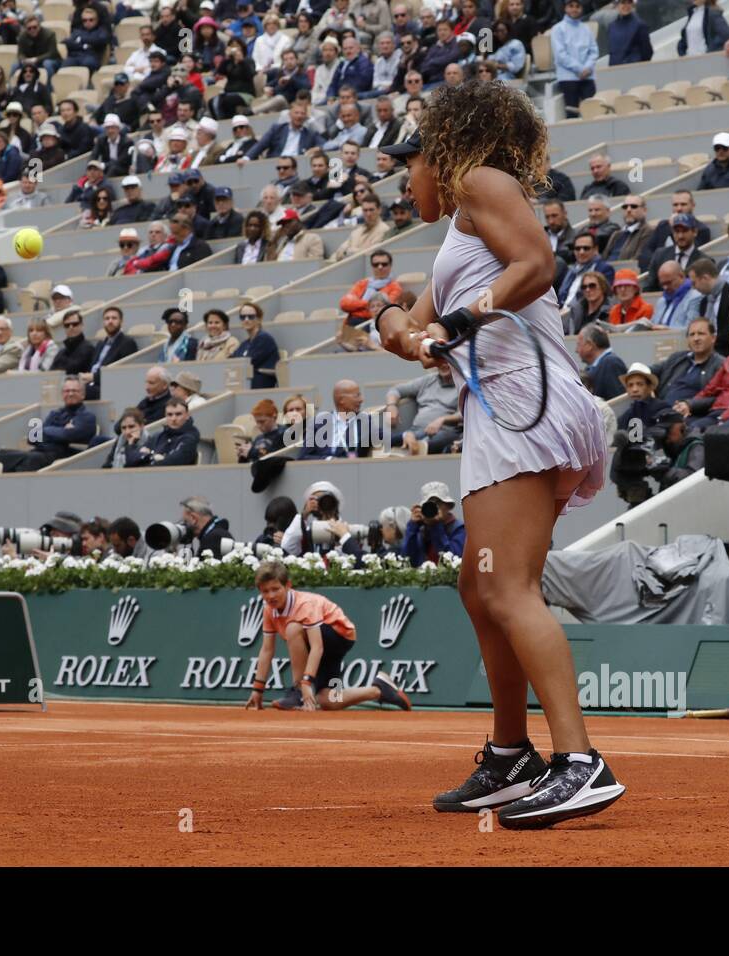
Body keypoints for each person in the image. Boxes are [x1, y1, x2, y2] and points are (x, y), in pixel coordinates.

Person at [374, 85, 625, 827]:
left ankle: (580, 761)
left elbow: (538, 264)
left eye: (408, 161)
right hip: (503, 408)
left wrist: (446, 325)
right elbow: (404, 331)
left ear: (444, 152)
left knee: (507, 586)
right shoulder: (459, 232)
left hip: (524, 403)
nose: (403, 177)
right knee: (477, 587)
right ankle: (510, 755)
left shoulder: (483, 184)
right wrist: (398, 320)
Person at [245, 559, 411, 712]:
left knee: (293, 627)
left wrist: (305, 682)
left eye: (275, 589)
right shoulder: (268, 610)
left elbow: (317, 646)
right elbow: (267, 650)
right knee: (329, 700)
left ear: (288, 585)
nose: (271, 596)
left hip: (338, 638)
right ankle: (379, 689)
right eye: (265, 591)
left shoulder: (304, 604)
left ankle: (297, 692)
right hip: (324, 653)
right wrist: (257, 690)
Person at [386, 365, 461, 455]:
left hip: (444, 431)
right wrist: (391, 406)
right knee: (400, 436)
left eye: (446, 361)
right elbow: (395, 390)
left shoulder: (462, 384)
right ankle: (409, 444)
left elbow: (464, 414)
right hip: (416, 430)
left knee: (441, 438)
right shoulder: (428, 380)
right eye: (440, 361)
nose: (443, 365)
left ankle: (411, 448)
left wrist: (442, 419)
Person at [653, 318, 725, 405]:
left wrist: (690, 405)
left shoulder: (721, 365)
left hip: (691, 415)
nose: (696, 338)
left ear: (713, 338)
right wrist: (640, 378)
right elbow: (649, 370)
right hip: (661, 409)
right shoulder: (677, 358)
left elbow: (718, 398)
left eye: (701, 334)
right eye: (692, 335)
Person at [122, 398, 200, 467]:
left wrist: (144, 459)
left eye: (178, 414)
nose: (173, 418)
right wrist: (153, 457)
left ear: (187, 415)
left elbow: (171, 464)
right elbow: (130, 460)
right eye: (169, 414)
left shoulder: (190, 438)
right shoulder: (158, 436)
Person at [552, 0, 597, 119]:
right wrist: (580, 69)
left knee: (592, 112)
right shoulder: (558, 29)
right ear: (566, 8)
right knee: (572, 113)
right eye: (571, 6)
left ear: (581, 8)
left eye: (577, 6)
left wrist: (587, 68)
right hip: (568, 77)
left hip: (587, 76)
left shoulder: (586, 28)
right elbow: (560, 55)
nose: (574, 9)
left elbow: (593, 51)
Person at [231, 301, 280, 389]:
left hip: (261, 387)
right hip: (244, 385)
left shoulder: (264, 339)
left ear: (259, 319)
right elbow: (233, 361)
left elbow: (249, 362)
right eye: (242, 317)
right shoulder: (244, 344)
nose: (246, 320)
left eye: (251, 316)